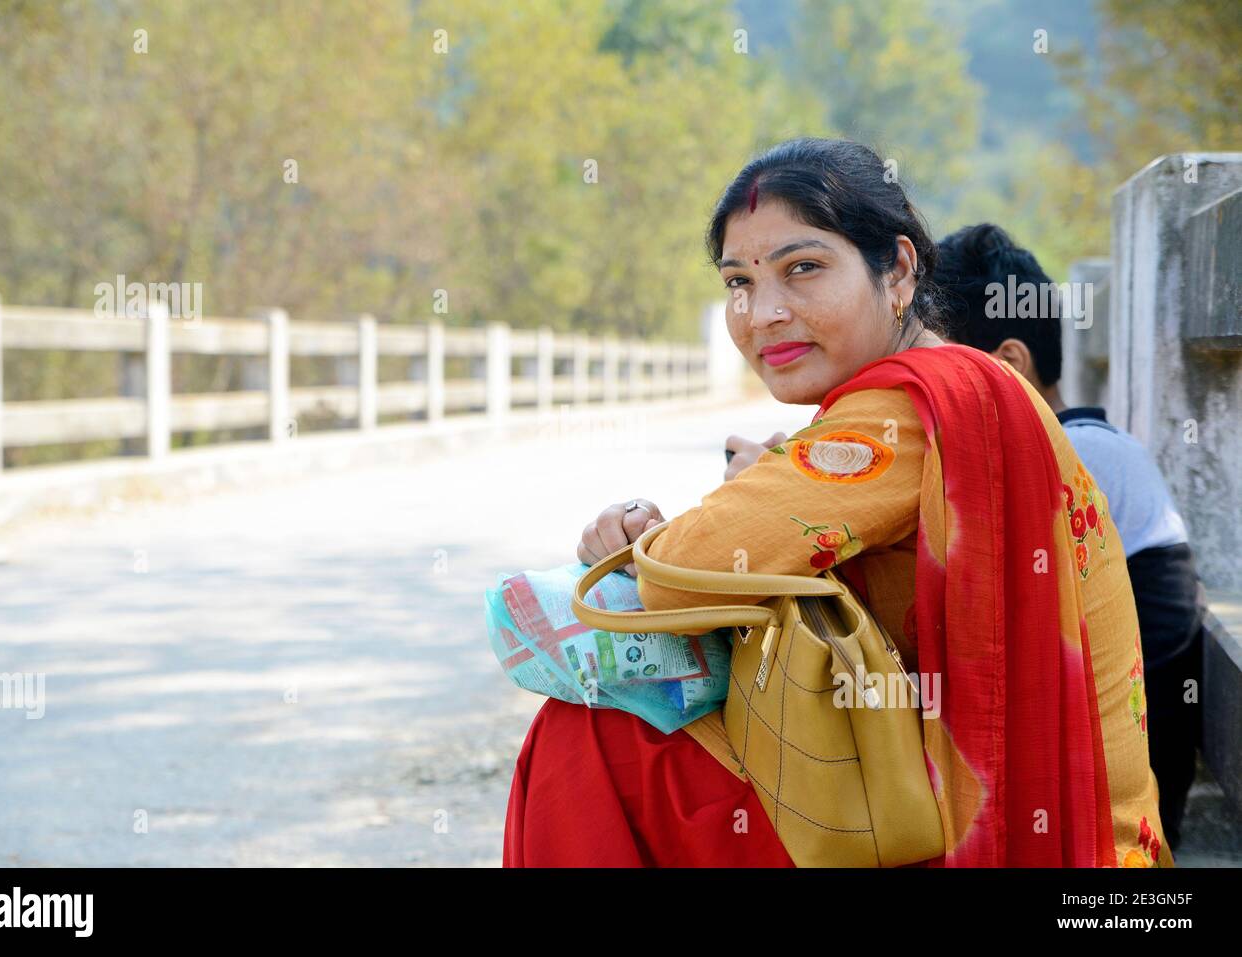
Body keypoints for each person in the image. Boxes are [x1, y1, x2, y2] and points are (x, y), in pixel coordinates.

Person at [502, 137, 1171, 867]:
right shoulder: (955, 391)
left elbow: (683, 571)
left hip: (1009, 830)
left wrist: (646, 539)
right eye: (739, 283)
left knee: (590, 739)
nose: (762, 313)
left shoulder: (911, 408)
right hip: (1051, 808)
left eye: (804, 269)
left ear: (900, 272)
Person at [931, 223, 1204, 849]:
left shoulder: (1076, 456)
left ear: (1006, 365)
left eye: (937, 374)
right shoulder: (1087, 443)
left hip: (1113, 799)